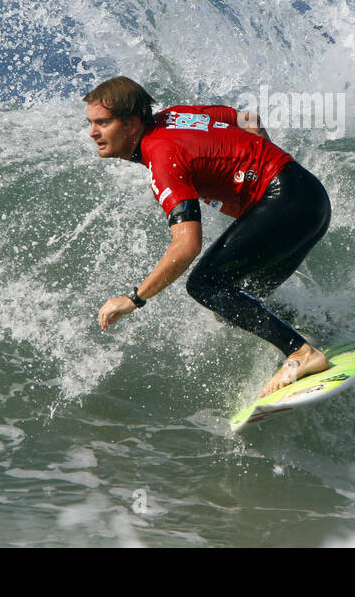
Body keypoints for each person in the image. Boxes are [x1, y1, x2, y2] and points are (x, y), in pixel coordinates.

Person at [85, 76, 332, 397]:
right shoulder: (177, 115)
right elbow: (250, 121)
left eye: (102, 123)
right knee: (234, 300)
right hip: (309, 195)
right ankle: (315, 331)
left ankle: (301, 353)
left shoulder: (161, 157)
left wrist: (134, 298)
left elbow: (187, 244)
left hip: (286, 201)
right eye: (91, 123)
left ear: (132, 125)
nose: (93, 133)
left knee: (204, 284)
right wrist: (262, 171)